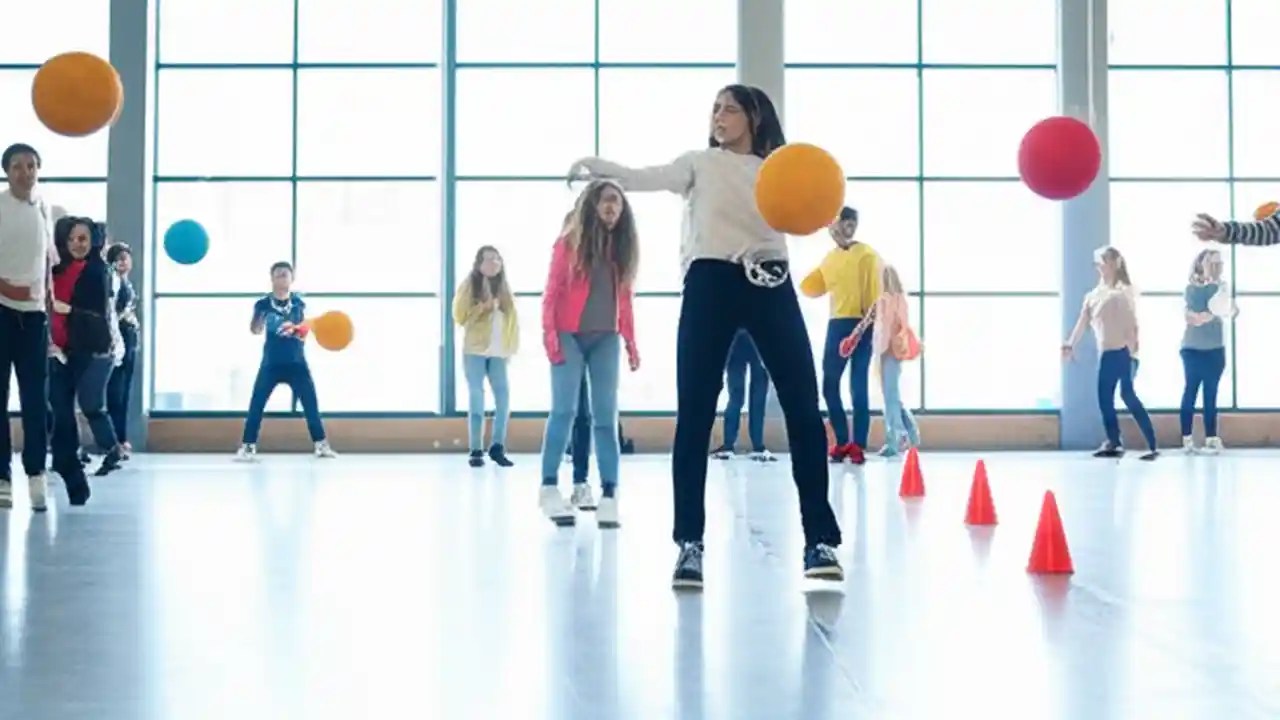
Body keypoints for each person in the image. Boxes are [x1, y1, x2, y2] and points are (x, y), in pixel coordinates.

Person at [568, 84, 844, 588]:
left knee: (804, 409)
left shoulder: (777, 168)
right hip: (710, 281)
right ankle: (689, 545)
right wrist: (601, 168)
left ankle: (819, 540)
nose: (719, 116)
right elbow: (644, 177)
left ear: (755, 117)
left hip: (770, 279)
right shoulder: (699, 162)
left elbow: (812, 205)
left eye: (730, 109)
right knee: (695, 414)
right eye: (715, 108)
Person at [538, 179, 640, 530]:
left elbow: (623, 299)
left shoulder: (621, 250)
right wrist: (550, 335)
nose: (612, 207)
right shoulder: (568, 244)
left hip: (605, 339)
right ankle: (549, 486)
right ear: (592, 205)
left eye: (618, 201)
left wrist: (630, 341)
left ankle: (609, 492)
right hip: (568, 335)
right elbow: (551, 293)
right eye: (606, 200)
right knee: (564, 411)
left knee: (605, 418)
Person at [0, 143, 64, 511]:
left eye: (31, 165)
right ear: (7, 172)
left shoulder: (43, 207)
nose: (26, 172)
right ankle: (2, 476)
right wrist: (9, 289)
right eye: (18, 166)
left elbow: (45, 263)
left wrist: (47, 306)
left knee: (36, 400)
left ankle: (36, 472)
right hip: (3, 312)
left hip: (35, 317)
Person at [48, 217, 123, 494]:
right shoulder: (57, 270)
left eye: (82, 239)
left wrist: (68, 310)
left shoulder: (97, 272)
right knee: (59, 408)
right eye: (71, 239)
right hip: (60, 351)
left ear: (92, 241)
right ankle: (67, 457)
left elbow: (99, 317)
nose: (76, 244)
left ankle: (111, 449)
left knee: (91, 405)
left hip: (93, 350)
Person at [1061, 246, 1158, 460]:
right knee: (1105, 399)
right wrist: (1070, 344)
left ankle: (1151, 443)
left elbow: (1132, 324)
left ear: (1114, 263)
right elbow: (1082, 323)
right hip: (1106, 354)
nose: (1101, 266)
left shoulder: (1123, 291)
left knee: (1128, 395)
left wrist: (1133, 351)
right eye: (1099, 263)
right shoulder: (1093, 296)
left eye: (1104, 262)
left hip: (1124, 353)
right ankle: (1114, 441)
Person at [234, 262, 338, 461]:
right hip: (271, 363)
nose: (282, 278)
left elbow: (306, 330)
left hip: (297, 363)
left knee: (310, 404)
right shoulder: (263, 304)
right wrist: (260, 319)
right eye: (278, 275)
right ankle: (247, 447)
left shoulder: (299, 304)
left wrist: (298, 329)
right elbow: (255, 330)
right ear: (272, 278)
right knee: (257, 404)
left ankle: (321, 445)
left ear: (292, 279)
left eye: (285, 275)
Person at [801, 207, 880, 465]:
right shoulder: (830, 258)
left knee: (858, 386)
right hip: (837, 324)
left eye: (844, 224)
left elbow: (876, 300)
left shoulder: (867, 255)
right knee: (829, 385)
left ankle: (858, 445)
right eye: (835, 225)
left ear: (852, 226)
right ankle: (842, 441)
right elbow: (812, 287)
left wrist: (860, 330)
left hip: (863, 325)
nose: (837, 229)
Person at [844, 263, 920, 457]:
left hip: (886, 351)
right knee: (891, 396)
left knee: (890, 397)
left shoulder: (883, 301)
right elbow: (900, 325)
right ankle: (909, 432)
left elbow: (866, 323)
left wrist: (853, 338)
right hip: (893, 351)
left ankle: (896, 438)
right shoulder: (898, 301)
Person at [453, 245, 517, 468]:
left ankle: (498, 446)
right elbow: (459, 316)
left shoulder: (505, 290)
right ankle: (476, 448)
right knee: (476, 398)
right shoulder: (470, 286)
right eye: (488, 259)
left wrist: (511, 348)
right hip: (475, 350)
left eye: (497, 259)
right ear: (479, 263)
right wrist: (483, 307)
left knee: (503, 398)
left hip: (499, 351)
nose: (494, 263)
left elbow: (512, 322)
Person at [1180, 248, 1232, 454]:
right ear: (1201, 264)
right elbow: (1194, 316)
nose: (1217, 267)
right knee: (1190, 391)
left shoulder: (1223, 287)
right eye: (1212, 263)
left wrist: (1213, 311)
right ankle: (1186, 438)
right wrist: (1204, 314)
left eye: (1219, 264)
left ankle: (1211, 437)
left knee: (1211, 393)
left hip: (1215, 348)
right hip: (1192, 349)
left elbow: (1223, 310)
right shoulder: (1191, 288)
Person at [709, 329, 775, 461]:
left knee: (736, 395)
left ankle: (729, 445)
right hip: (759, 336)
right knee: (758, 396)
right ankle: (758, 446)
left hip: (736, 337)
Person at [105, 242, 139, 457]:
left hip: (129, 336)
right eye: (119, 258)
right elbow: (111, 314)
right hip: (119, 338)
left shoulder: (126, 282)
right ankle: (115, 439)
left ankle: (122, 438)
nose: (124, 262)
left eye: (126, 257)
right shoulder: (113, 283)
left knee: (125, 391)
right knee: (116, 391)